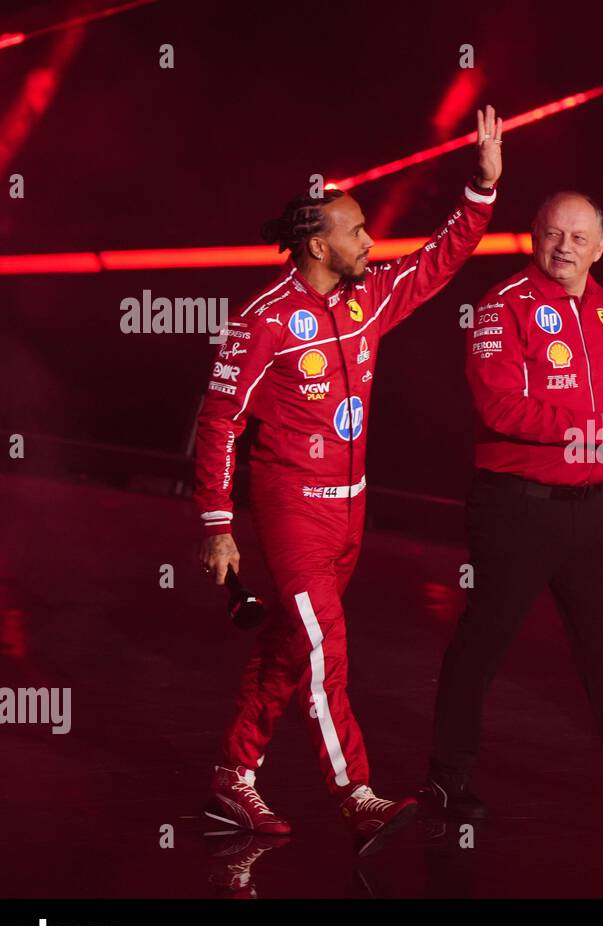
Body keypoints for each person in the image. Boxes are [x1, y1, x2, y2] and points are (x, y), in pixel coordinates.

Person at [194, 107, 503, 854]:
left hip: (351, 512)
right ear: (316, 241)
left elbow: (438, 261)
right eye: (356, 230)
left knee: (289, 647)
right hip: (291, 510)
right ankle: (354, 791)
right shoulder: (262, 320)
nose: (370, 241)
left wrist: (482, 189)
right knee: (326, 645)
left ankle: (232, 775)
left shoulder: (367, 300)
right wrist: (216, 524)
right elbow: (218, 420)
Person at [419, 191, 603, 829]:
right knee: (483, 647)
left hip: (592, 510)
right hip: (517, 506)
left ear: (600, 246)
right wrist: (595, 423)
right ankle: (446, 782)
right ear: (534, 236)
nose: (565, 248)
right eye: (553, 234)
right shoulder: (503, 306)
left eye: (579, 238)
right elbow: (499, 408)